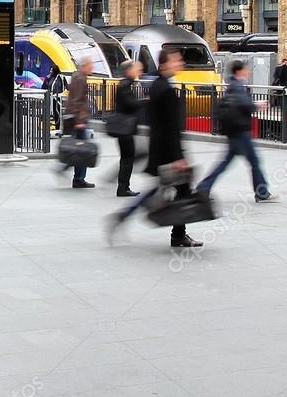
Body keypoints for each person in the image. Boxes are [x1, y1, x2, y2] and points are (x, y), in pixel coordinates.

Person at [108, 49, 203, 248]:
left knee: (162, 190)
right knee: (182, 191)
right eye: (176, 60)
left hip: (161, 151)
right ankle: (178, 234)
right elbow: (169, 127)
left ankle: (124, 216)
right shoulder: (164, 89)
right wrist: (178, 157)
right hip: (167, 153)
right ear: (164, 65)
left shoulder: (158, 86)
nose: (180, 63)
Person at [197, 60, 277, 203]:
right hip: (241, 132)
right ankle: (262, 192)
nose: (249, 72)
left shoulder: (231, 85)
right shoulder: (238, 86)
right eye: (246, 70)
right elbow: (245, 105)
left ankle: (203, 187)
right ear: (239, 71)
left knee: (226, 163)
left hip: (234, 131)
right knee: (254, 162)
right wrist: (257, 105)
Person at [59, 55, 95, 189]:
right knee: (82, 150)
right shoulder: (80, 78)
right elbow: (77, 101)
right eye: (91, 65)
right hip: (79, 120)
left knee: (80, 148)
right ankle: (73, 175)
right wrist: (80, 121)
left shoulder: (78, 77)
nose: (93, 67)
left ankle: (78, 178)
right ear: (85, 65)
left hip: (77, 118)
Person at [113, 60, 144, 197]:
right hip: (124, 129)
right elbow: (130, 103)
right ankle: (123, 187)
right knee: (127, 158)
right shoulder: (125, 85)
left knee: (127, 157)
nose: (138, 72)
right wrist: (145, 101)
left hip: (124, 128)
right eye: (136, 69)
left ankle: (123, 186)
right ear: (128, 70)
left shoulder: (125, 84)